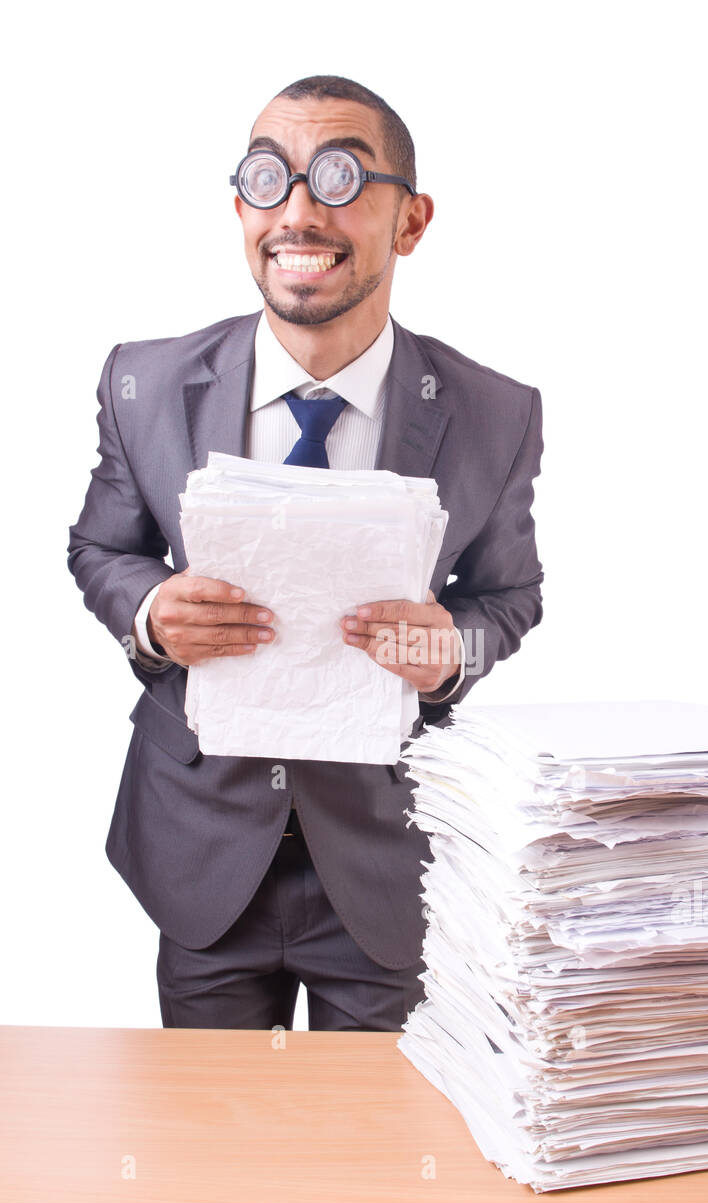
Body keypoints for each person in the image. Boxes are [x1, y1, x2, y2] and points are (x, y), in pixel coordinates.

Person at [67, 74, 544, 1032]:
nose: (296, 214)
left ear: (410, 222)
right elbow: (100, 551)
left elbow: (509, 597)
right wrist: (154, 613)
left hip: (386, 853)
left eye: (336, 179)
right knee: (206, 1153)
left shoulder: (494, 412)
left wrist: (452, 649)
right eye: (265, 179)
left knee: (369, 1162)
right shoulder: (145, 382)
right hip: (199, 843)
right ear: (238, 206)